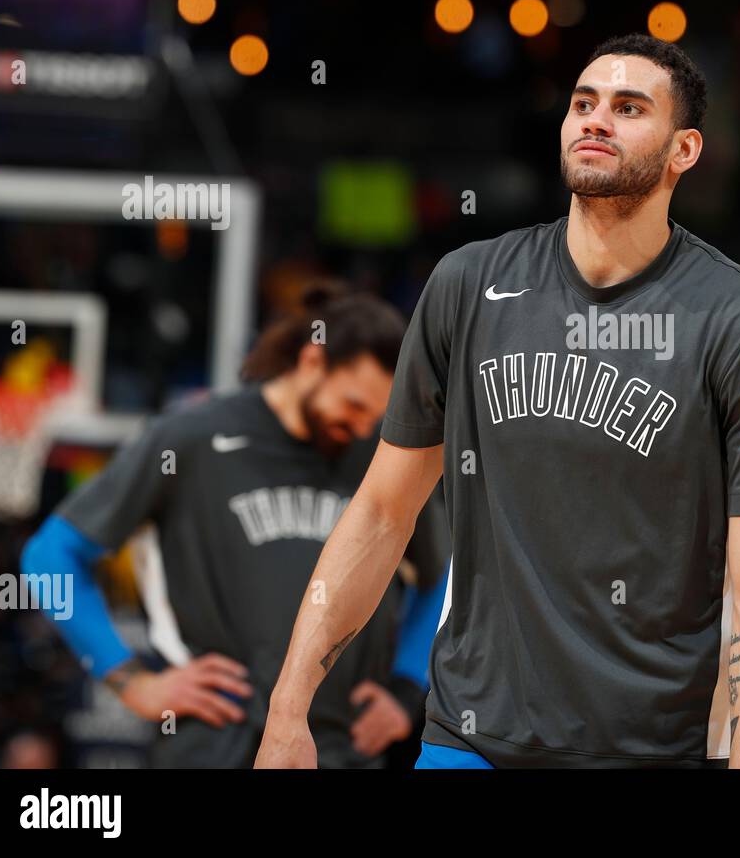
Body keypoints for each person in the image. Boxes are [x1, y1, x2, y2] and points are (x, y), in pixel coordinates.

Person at [256, 33, 740, 769]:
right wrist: (287, 710)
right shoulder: (467, 284)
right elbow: (380, 512)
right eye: (583, 103)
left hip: (648, 750)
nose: (595, 120)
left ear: (684, 151)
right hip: (469, 737)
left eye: (628, 108)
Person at [23, 282, 449, 767]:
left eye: (375, 417)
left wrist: (407, 683)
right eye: (353, 406)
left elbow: (444, 575)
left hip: (339, 747)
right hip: (212, 743)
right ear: (312, 361)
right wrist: (130, 680)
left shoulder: (378, 455)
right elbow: (49, 556)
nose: (360, 427)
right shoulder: (190, 437)